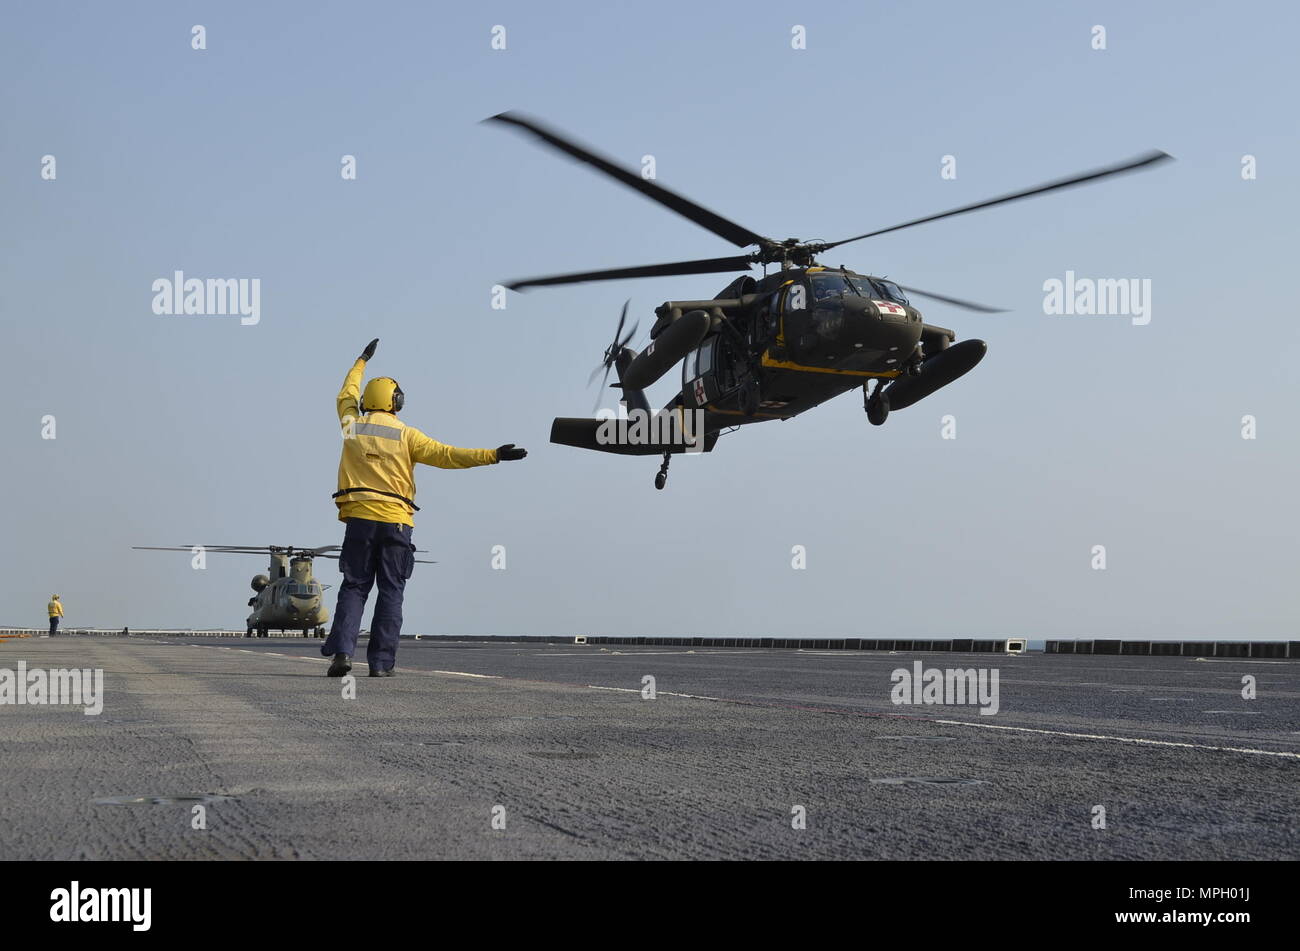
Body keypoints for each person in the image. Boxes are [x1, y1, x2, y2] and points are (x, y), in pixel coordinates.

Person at [322, 338, 527, 678]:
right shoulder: (407, 436)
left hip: (359, 521)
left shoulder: (350, 426)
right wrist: (493, 455)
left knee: (355, 586)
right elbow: (449, 455)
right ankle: (381, 664)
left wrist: (361, 361)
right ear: (396, 402)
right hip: (397, 524)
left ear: (365, 401)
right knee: (391, 591)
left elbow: (345, 393)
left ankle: (342, 653)